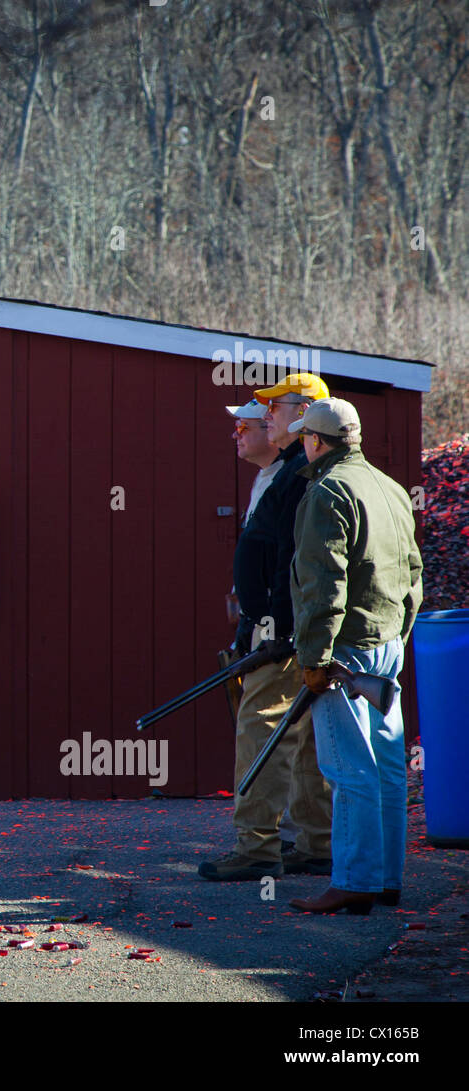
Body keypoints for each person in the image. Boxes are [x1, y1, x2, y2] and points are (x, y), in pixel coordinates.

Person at [286, 398, 422, 915]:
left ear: (317, 442)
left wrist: (315, 657)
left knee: (349, 769)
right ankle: (385, 879)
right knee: (387, 768)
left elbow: (324, 584)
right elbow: (414, 572)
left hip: (346, 650)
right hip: (387, 644)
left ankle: (354, 881)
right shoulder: (388, 487)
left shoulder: (326, 491)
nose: (303, 444)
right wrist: (399, 635)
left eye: (305, 437)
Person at [199, 377, 334, 881]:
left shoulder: (299, 474)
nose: (264, 415)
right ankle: (316, 842)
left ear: (304, 413)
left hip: (283, 631)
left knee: (261, 730)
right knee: (300, 737)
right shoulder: (291, 472)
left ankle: (257, 847)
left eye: (272, 408)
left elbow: (292, 559)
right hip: (281, 627)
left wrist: (274, 622)